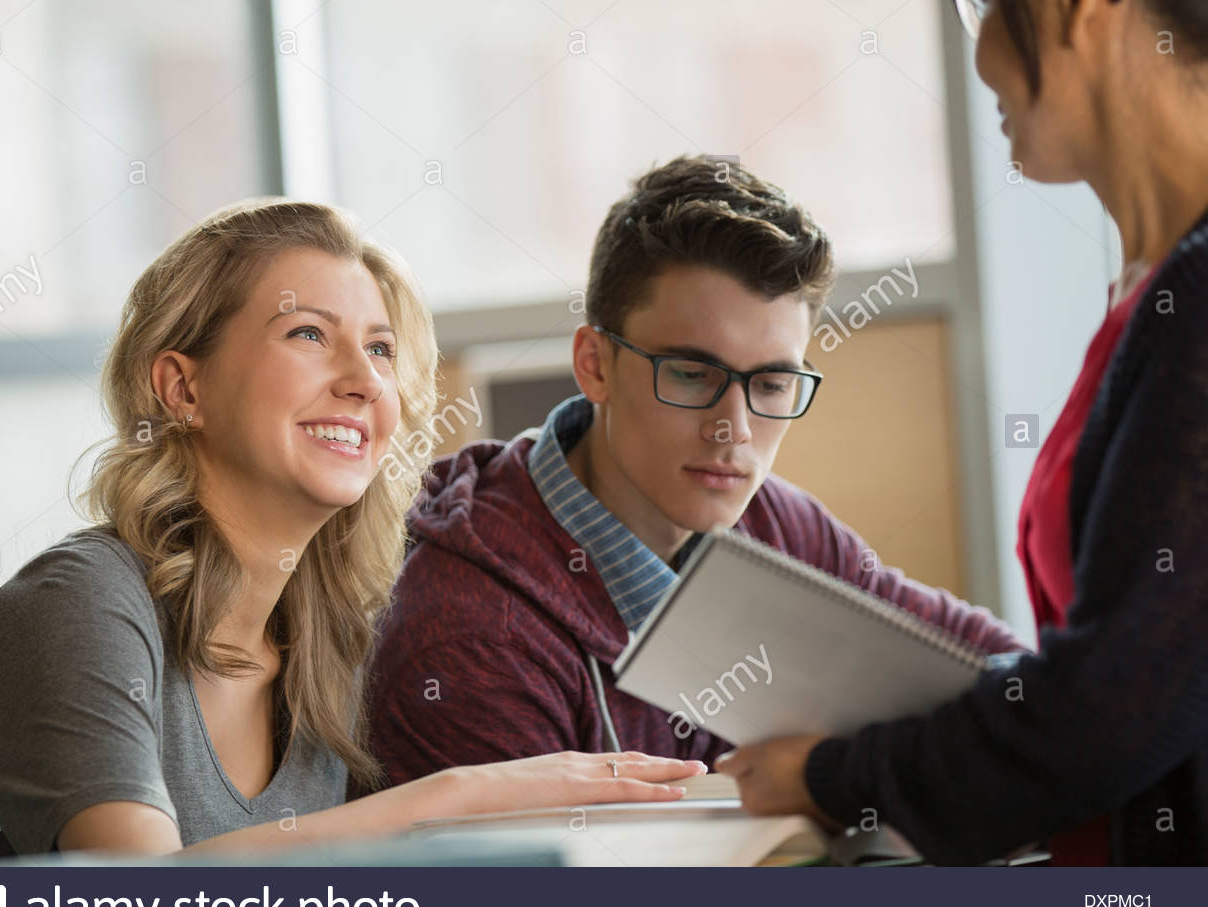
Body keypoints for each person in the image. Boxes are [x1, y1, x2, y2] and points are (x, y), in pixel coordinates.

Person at [0, 199, 703, 866]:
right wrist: (449, 800)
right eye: (309, 335)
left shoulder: (332, 636)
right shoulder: (76, 604)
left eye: (381, 349)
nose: (363, 382)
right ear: (183, 387)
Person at [716, 0, 1208, 866]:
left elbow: (1117, 706)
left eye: (981, 7)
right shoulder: (1153, 291)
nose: (976, 52)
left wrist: (837, 774)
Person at [366, 155, 1024, 790]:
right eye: (690, 373)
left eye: (770, 383)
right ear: (594, 364)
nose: (733, 428)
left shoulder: (780, 530)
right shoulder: (469, 643)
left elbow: (1010, 681)